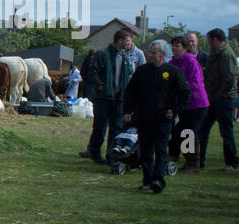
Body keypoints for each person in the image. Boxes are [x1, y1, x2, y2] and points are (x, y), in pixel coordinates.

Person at [123, 39, 190, 193]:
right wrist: (127, 110)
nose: (150, 55)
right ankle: (147, 180)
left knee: (161, 149)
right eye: (150, 52)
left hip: (163, 118)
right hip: (144, 117)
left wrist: (175, 110)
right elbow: (130, 92)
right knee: (145, 151)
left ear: (163, 55)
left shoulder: (172, 72)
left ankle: (158, 180)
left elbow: (185, 93)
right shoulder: (142, 71)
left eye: (154, 53)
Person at [80, 28, 140, 164]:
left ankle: (112, 156)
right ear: (120, 40)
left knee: (116, 129)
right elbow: (92, 72)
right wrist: (101, 85)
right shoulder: (103, 54)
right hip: (103, 99)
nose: (130, 43)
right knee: (100, 128)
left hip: (119, 99)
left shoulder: (124, 57)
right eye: (127, 40)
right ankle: (95, 154)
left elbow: (129, 75)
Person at [199, 28, 238, 172]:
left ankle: (232, 162)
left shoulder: (226, 55)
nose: (208, 44)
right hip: (213, 98)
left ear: (215, 40)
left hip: (224, 99)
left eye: (209, 41)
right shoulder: (216, 54)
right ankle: (197, 160)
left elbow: (228, 78)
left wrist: (218, 94)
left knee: (226, 132)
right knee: (202, 129)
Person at [168, 36, 208, 173]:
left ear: (185, 48)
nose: (174, 48)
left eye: (177, 46)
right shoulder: (172, 63)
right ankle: (187, 159)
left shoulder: (191, 61)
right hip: (182, 104)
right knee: (180, 131)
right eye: (173, 46)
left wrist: (180, 89)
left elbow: (195, 82)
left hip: (196, 103)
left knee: (189, 132)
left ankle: (194, 162)